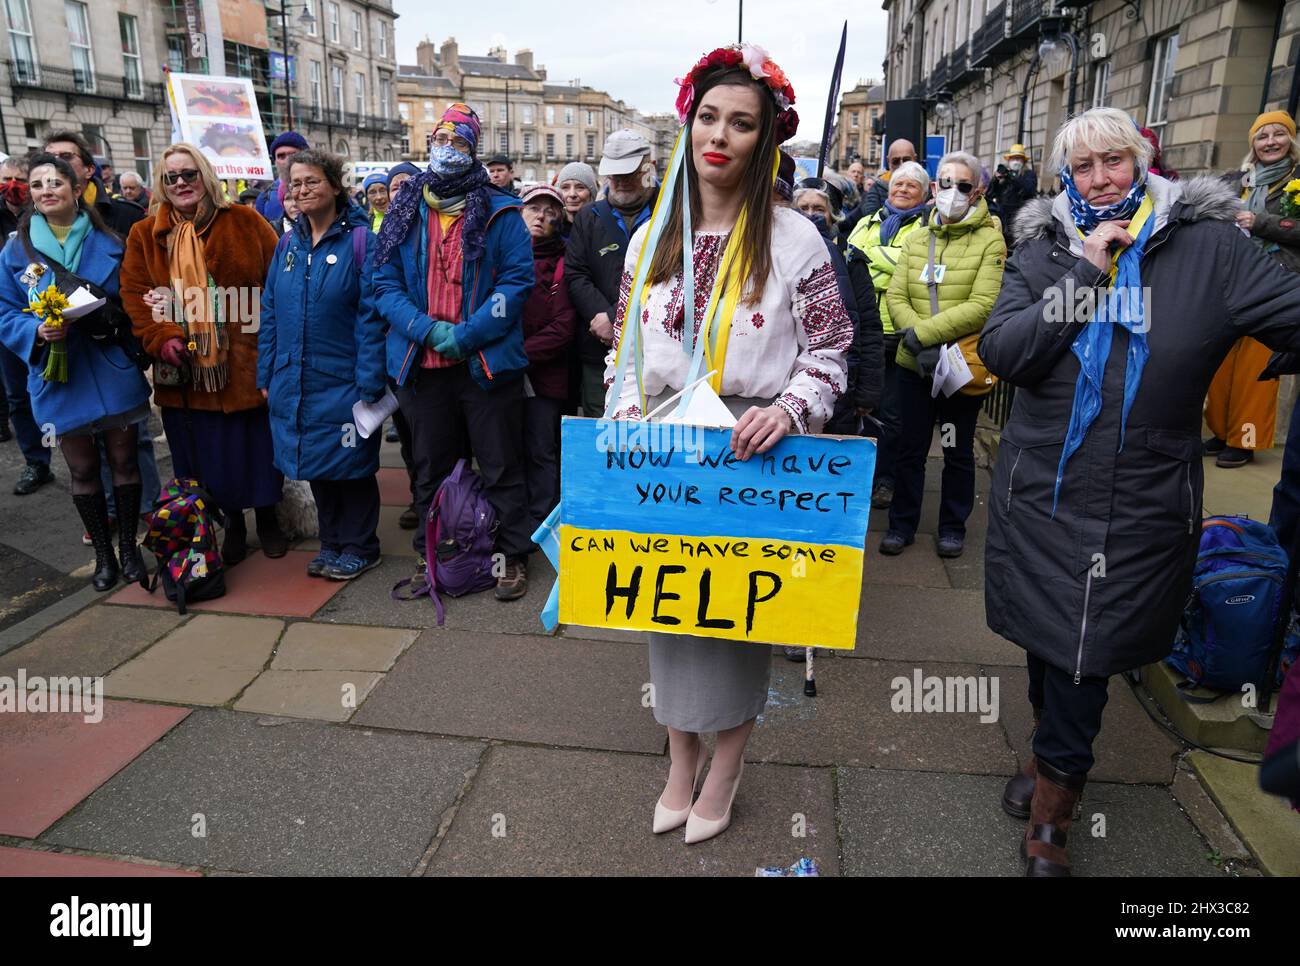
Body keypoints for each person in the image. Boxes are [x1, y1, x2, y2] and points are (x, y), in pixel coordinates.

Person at [980, 106, 1300, 876]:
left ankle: (1056, 805)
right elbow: (1005, 352)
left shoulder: (1210, 248)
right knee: (1043, 634)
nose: (1100, 179)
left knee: (1089, 646)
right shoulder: (1043, 245)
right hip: (1042, 487)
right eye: (1083, 167)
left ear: (1142, 160)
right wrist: (1086, 271)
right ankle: (1047, 752)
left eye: (1114, 161)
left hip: (1143, 492)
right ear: (1066, 177)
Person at [606, 44, 851, 844]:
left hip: (753, 453)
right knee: (666, 611)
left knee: (737, 619)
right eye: (708, 117)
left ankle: (728, 764)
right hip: (665, 452)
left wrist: (789, 409)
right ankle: (680, 761)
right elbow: (627, 358)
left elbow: (831, 349)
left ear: (765, 140)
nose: (720, 135)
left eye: (741, 122)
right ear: (688, 126)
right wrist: (619, 425)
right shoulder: (649, 241)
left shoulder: (794, 240)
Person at [372, 103, 535, 602]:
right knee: (430, 467)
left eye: (460, 142)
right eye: (441, 139)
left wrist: (469, 333)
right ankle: (432, 556)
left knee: (501, 464)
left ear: (474, 150)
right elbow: (383, 283)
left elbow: (516, 281)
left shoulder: (503, 211)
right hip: (423, 366)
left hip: (483, 364)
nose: (448, 149)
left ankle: (510, 559)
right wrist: (422, 328)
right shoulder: (404, 211)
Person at [121, 142, 288, 566]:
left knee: (256, 448)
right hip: (187, 373)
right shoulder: (145, 234)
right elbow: (137, 295)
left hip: (246, 361)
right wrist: (162, 335)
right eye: (171, 177)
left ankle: (268, 517)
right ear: (161, 185)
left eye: (189, 174)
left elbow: (278, 288)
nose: (181, 183)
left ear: (206, 177)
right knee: (205, 456)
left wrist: (268, 343)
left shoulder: (246, 221)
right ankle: (230, 522)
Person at [0, 154, 152, 591]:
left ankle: (129, 550)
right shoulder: (15, 251)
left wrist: (113, 316)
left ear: (75, 188)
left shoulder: (111, 241)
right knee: (82, 470)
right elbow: (6, 312)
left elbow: (133, 299)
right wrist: (36, 329)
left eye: (55, 182)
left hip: (110, 366)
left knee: (125, 460)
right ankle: (104, 554)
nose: (46, 191)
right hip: (56, 373)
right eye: (36, 185)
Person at [260, 150, 386, 579]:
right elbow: (271, 312)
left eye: (311, 181)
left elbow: (372, 315)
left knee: (351, 465)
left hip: (345, 378)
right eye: (294, 184)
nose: (301, 190)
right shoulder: (287, 246)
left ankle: (362, 545)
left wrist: (370, 377)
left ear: (335, 186)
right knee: (315, 462)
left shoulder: (362, 242)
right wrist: (267, 374)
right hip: (295, 377)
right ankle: (332, 542)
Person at [881, 150, 1005, 560]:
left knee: (956, 449)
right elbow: (897, 294)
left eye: (963, 185)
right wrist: (915, 341)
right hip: (913, 363)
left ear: (978, 191)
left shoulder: (990, 238)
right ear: (934, 189)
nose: (953, 192)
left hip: (956, 366)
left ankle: (952, 526)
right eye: (946, 183)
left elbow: (983, 303)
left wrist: (922, 335)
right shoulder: (918, 237)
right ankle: (902, 525)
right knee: (910, 448)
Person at [1205, 111, 1300, 468]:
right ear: (1252, 143)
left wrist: (1261, 223)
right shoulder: (1235, 181)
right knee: (1220, 363)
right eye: (1263, 136)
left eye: (1279, 134)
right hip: (1231, 281)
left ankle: (1244, 440)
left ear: (1290, 140)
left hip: (1276, 283)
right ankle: (1220, 431)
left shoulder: (1298, 179)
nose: (1271, 142)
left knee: (1256, 368)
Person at [846, 160, 932, 509]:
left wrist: (870, 256)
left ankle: (886, 478)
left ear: (924, 194)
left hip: (898, 330)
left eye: (912, 186)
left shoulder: (927, 228)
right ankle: (860, 474)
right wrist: (884, 260)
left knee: (894, 414)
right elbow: (850, 258)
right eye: (898, 184)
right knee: (862, 406)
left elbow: (910, 267)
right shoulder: (867, 221)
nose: (903, 190)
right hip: (865, 329)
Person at [566, 130, 658, 417]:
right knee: (601, 421)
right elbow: (576, 272)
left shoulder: (671, 212)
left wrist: (616, 316)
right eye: (614, 174)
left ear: (646, 169)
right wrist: (600, 317)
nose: (618, 181)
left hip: (656, 346)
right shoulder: (589, 216)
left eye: (627, 173)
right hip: (599, 347)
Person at [517, 184, 577, 531]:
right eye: (533, 208)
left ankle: (541, 520)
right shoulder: (503, 254)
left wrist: (514, 355)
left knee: (542, 449)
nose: (540, 216)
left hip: (544, 377)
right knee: (506, 449)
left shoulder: (564, 261)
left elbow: (562, 327)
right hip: (501, 373)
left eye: (549, 211)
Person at [44, 132, 145, 238]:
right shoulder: (31, 216)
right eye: (48, 158)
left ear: (89, 170)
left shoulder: (129, 215)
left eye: (66, 156)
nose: (55, 163)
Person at [986, 143, 1038, 243]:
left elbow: (1029, 189)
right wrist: (996, 180)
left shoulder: (1029, 174)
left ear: (1023, 161)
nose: (1016, 161)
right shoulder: (1005, 175)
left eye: (1019, 158)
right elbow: (990, 194)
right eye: (1013, 158)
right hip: (1003, 215)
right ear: (1009, 160)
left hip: (1021, 215)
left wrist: (1012, 177)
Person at [255, 131, 310, 225]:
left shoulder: (321, 189)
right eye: (281, 156)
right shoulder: (264, 198)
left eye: (293, 155)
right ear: (275, 161)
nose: (288, 160)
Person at [556, 161, 597, 234]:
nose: (572, 194)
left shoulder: (604, 227)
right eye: (565, 187)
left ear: (591, 193)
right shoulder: (551, 231)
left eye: (580, 187)